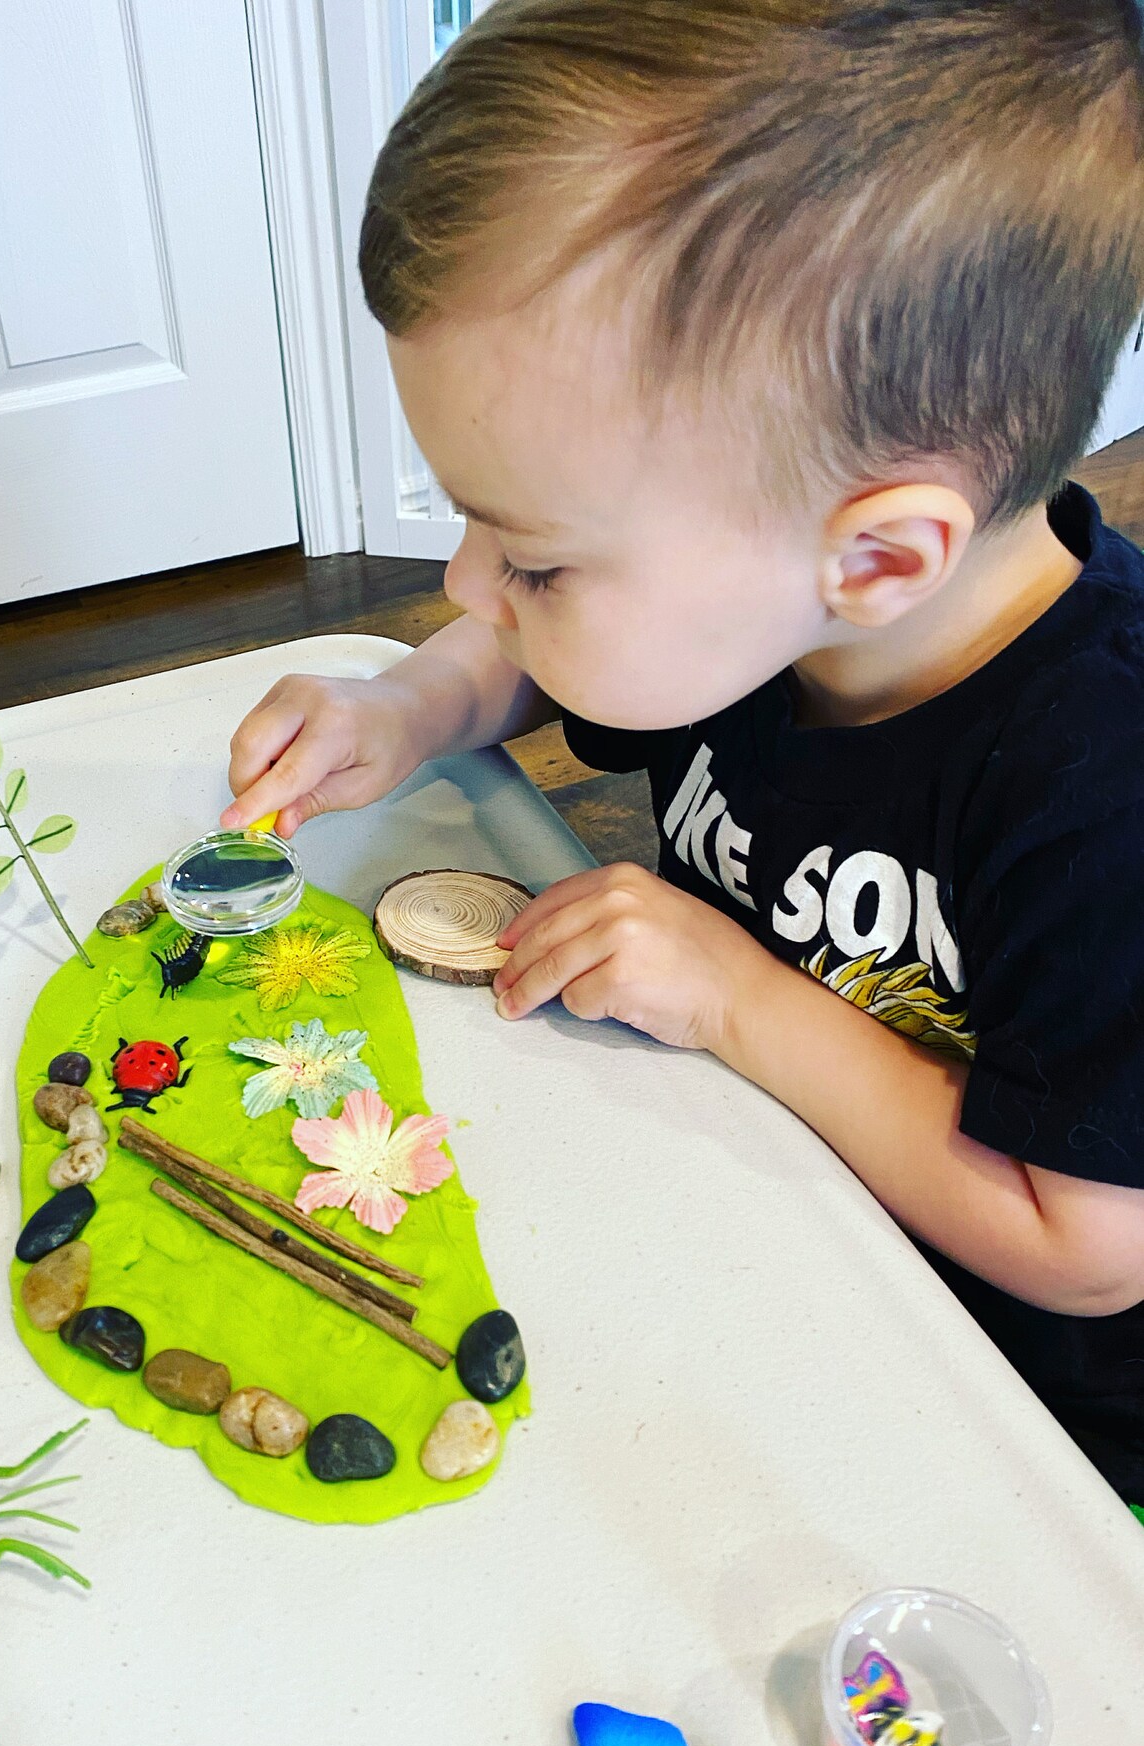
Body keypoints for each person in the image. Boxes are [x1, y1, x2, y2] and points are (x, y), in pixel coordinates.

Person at [220, 0, 1144, 1507]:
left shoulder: (1104, 795)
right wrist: (412, 707)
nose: (466, 588)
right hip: (757, 1197)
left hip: (1015, 1422)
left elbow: (1090, 1246)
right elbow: (546, 661)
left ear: (878, 558)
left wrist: (733, 994)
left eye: (535, 558)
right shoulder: (773, 601)